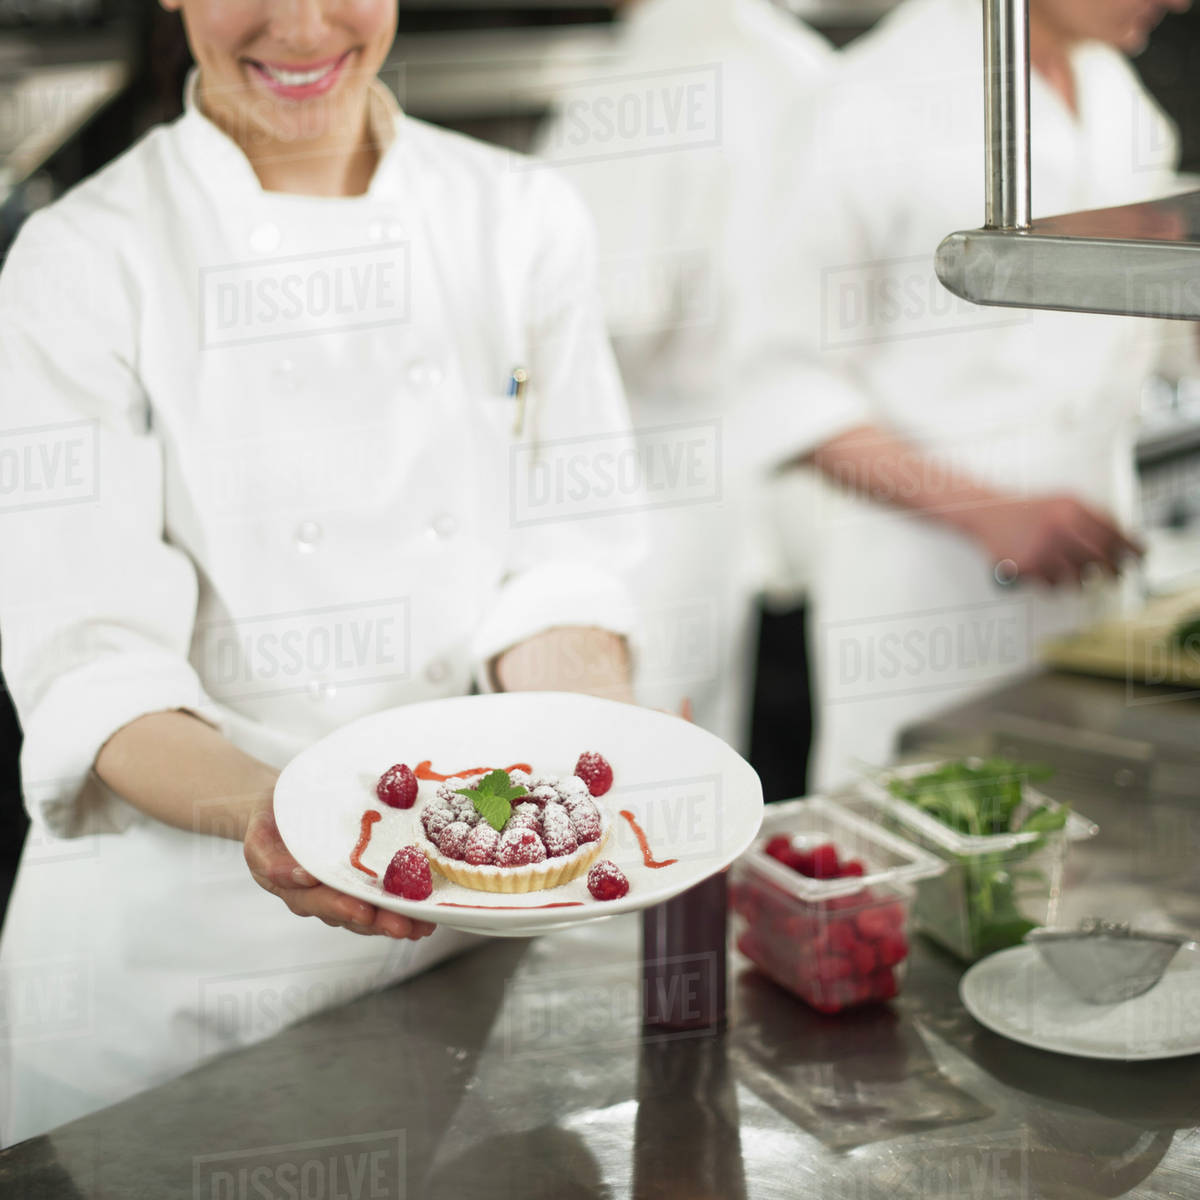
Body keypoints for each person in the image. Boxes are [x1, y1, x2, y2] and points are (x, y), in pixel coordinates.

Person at [0, 0, 641, 1144]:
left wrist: (585, 743)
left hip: (461, 930)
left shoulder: (520, 215)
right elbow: (93, 667)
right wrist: (283, 814)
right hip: (171, 988)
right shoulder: (84, 257)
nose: (300, 26)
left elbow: (564, 561)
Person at [764, 0, 1189, 787]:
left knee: (1086, 850)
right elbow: (778, 380)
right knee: (924, 859)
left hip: (1094, 577)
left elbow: (1133, 327)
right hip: (929, 598)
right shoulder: (864, 103)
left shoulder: (1115, 91)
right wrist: (992, 513)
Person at [535, 0, 839, 751]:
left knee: (623, 779)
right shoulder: (803, 61)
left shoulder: (648, 77)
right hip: (775, 495)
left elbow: (590, 326)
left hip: (651, 496)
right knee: (713, 771)